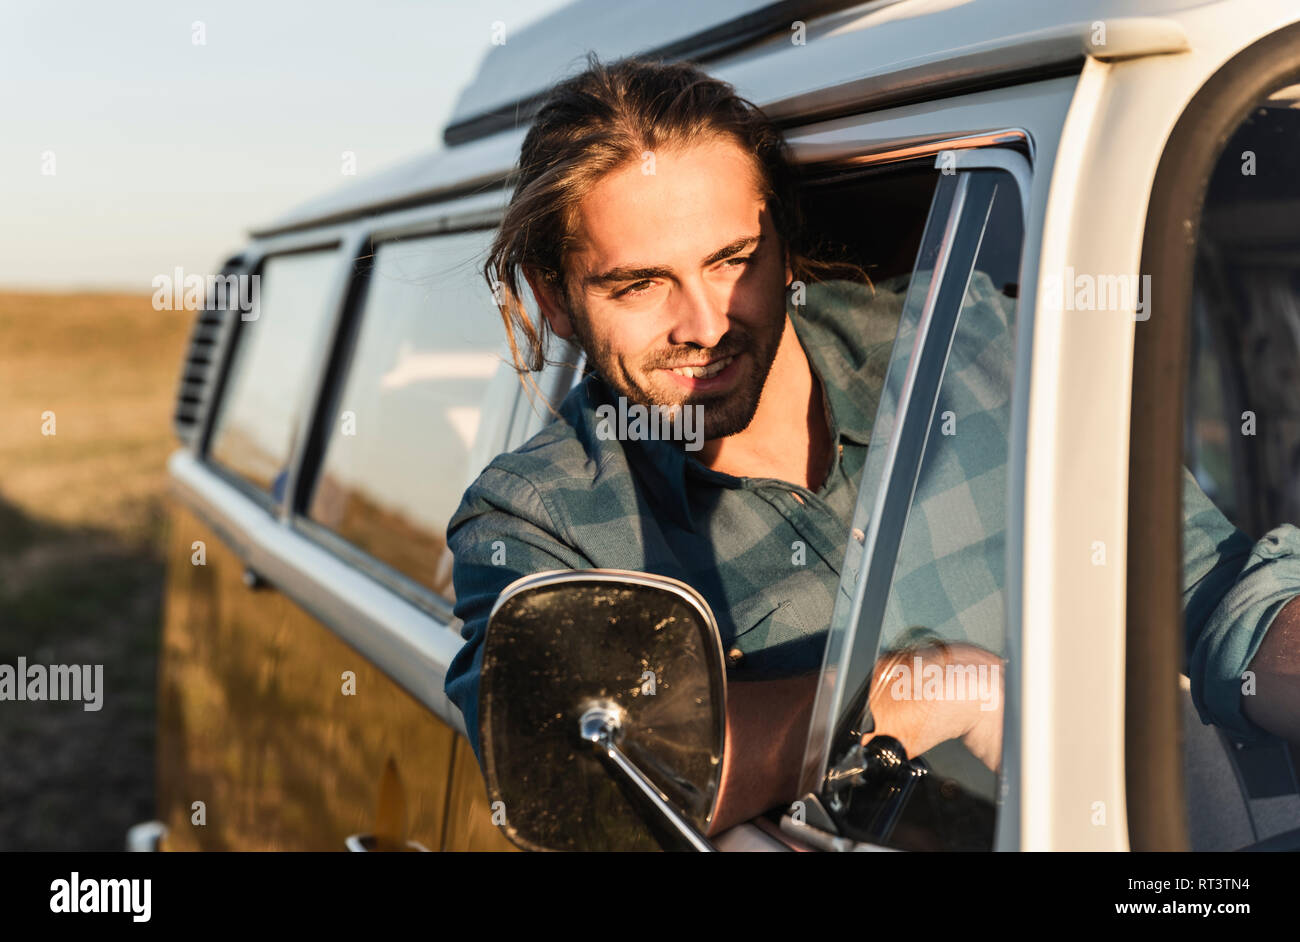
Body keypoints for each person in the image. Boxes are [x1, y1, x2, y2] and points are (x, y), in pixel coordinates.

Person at [444, 53, 1300, 835]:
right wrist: (917, 691)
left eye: (732, 259)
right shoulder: (537, 519)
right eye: (640, 284)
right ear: (554, 301)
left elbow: (1205, 585)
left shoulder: (976, 341)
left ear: (784, 251)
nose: (705, 324)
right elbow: (572, 774)